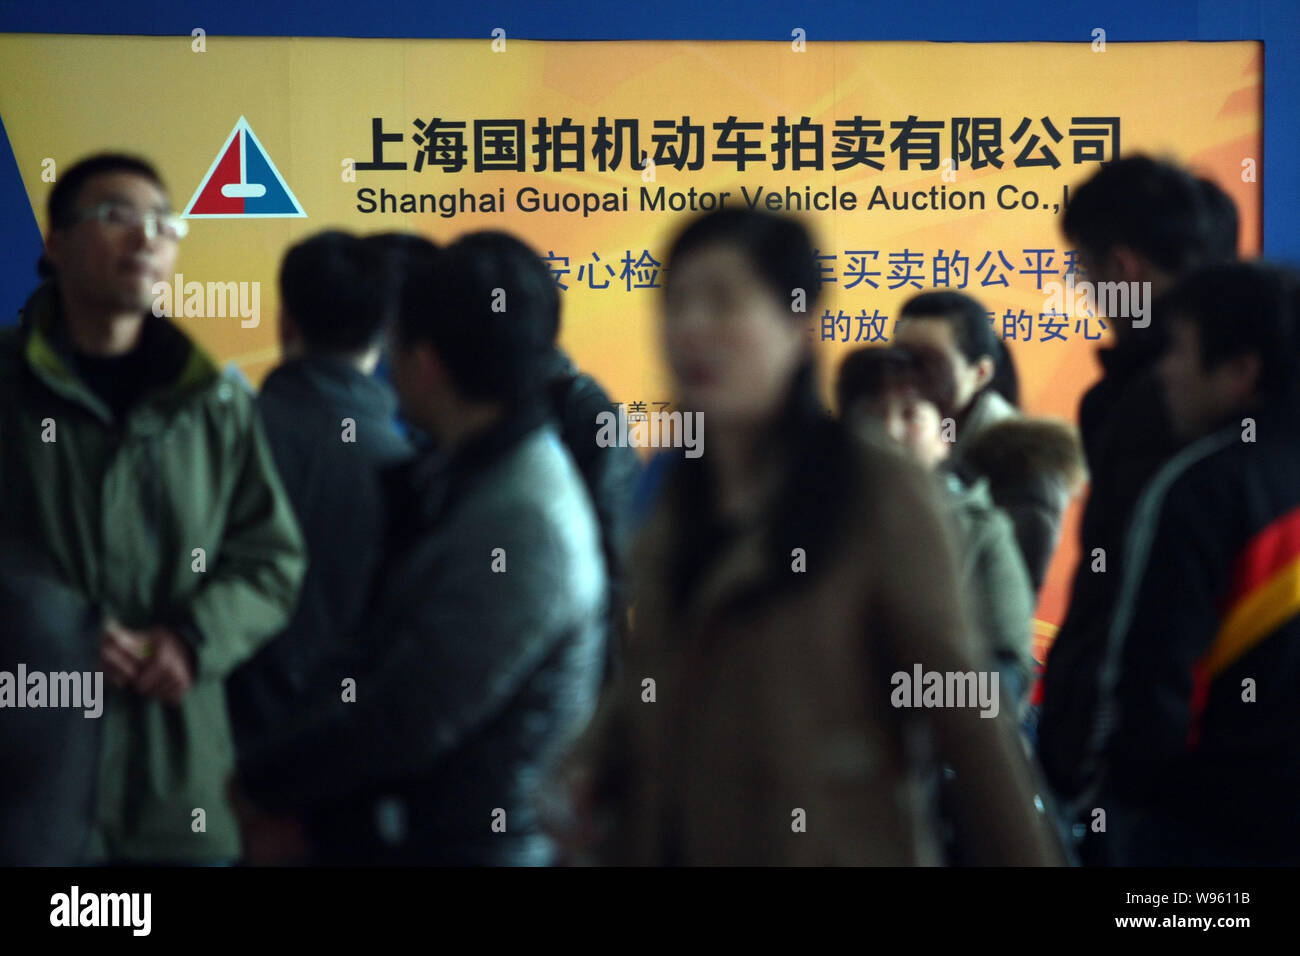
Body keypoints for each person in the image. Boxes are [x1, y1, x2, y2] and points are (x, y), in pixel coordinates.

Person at [561, 209, 1063, 866]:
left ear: (799, 326)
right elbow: (651, 676)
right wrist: (584, 764)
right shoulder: (681, 492)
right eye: (676, 303)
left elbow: (967, 713)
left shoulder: (876, 489)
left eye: (722, 302)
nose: (691, 330)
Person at [233, 231, 608, 866]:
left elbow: (409, 713)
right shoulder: (466, 476)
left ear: (425, 360)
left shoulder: (523, 512)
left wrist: (263, 788)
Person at [0, 153, 306, 864]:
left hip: (177, 780)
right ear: (56, 243)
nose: (146, 239)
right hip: (30, 771)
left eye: (165, 224)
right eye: (116, 216)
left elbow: (270, 559)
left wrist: (195, 639)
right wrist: (60, 634)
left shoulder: (214, 403)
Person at [1037, 156, 1237, 835]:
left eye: (1084, 271)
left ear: (1121, 267)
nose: (1082, 290)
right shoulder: (1132, 395)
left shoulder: (1160, 403)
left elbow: (1134, 604)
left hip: (1162, 770)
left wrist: (1100, 755)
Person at [1089, 261, 1300, 865]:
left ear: (1241, 371)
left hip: (1207, 833)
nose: (1165, 371)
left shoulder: (1205, 486)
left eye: (1178, 349)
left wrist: (1126, 796)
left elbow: (1156, 680)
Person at [225, 231, 415, 755]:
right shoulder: (408, 466)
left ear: (285, 320)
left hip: (217, 749)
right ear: (385, 333)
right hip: (350, 754)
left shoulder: (216, 442)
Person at [836, 344, 1036, 712]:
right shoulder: (799, 516)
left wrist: (905, 698)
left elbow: (1009, 671)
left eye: (911, 414)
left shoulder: (983, 531)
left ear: (945, 435)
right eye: (873, 414)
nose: (891, 431)